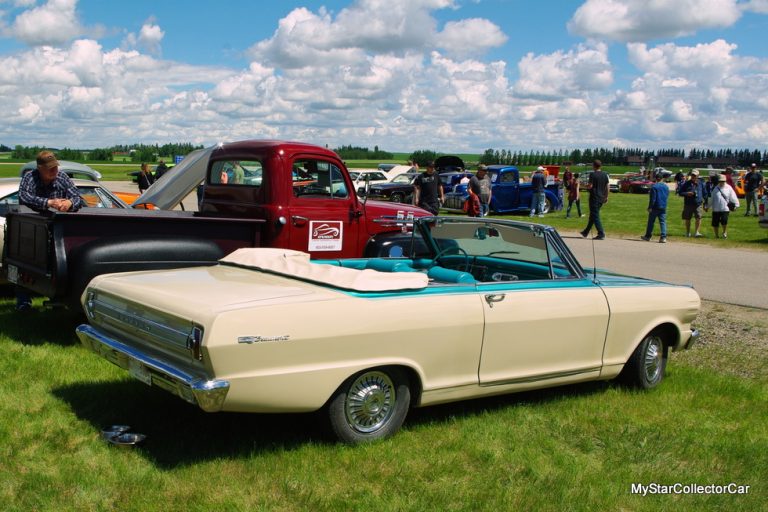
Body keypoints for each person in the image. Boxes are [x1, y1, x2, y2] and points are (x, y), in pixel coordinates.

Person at [17, 150, 83, 310]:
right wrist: (48, 202)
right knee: (26, 264)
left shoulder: (62, 177)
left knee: (56, 266)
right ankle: (23, 301)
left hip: (56, 229)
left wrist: (69, 203)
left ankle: (56, 299)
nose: (54, 171)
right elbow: (24, 196)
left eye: (55, 167)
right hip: (31, 228)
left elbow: (78, 198)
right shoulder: (29, 178)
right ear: (40, 168)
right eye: (50, 168)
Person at [580, 160, 609, 240]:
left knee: (595, 216)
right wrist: (606, 197)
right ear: (600, 166)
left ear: (594, 166)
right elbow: (607, 187)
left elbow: (590, 186)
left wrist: (582, 185)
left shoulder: (593, 174)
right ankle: (585, 232)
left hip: (594, 197)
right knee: (593, 215)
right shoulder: (605, 175)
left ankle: (601, 233)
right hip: (601, 197)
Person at [706, 174, 739, 238]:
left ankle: (724, 232)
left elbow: (733, 197)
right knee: (715, 223)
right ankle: (716, 235)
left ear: (725, 181)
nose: (721, 182)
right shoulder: (715, 188)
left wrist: (736, 205)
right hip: (716, 209)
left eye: (723, 181)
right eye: (720, 181)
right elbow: (711, 199)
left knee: (724, 221)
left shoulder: (729, 188)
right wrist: (708, 207)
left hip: (725, 208)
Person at [641, 172, 669, 243]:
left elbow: (653, 199)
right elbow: (666, 196)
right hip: (663, 206)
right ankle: (663, 237)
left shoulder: (654, 187)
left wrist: (650, 207)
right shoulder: (666, 187)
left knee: (651, 222)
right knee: (662, 222)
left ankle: (648, 236)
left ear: (656, 179)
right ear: (662, 179)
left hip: (655, 207)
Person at [678, 169, 706, 237]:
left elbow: (705, 193)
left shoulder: (701, 183)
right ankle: (687, 232)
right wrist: (687, 193)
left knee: (698, 218)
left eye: (694, 175)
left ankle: (696, 232)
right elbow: (680, 193)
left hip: (698, 204)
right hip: (688, 204)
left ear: (698, 176)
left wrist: (706, 203)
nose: (693, 176)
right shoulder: (687, 183)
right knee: (687, 218)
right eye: (692, 175)